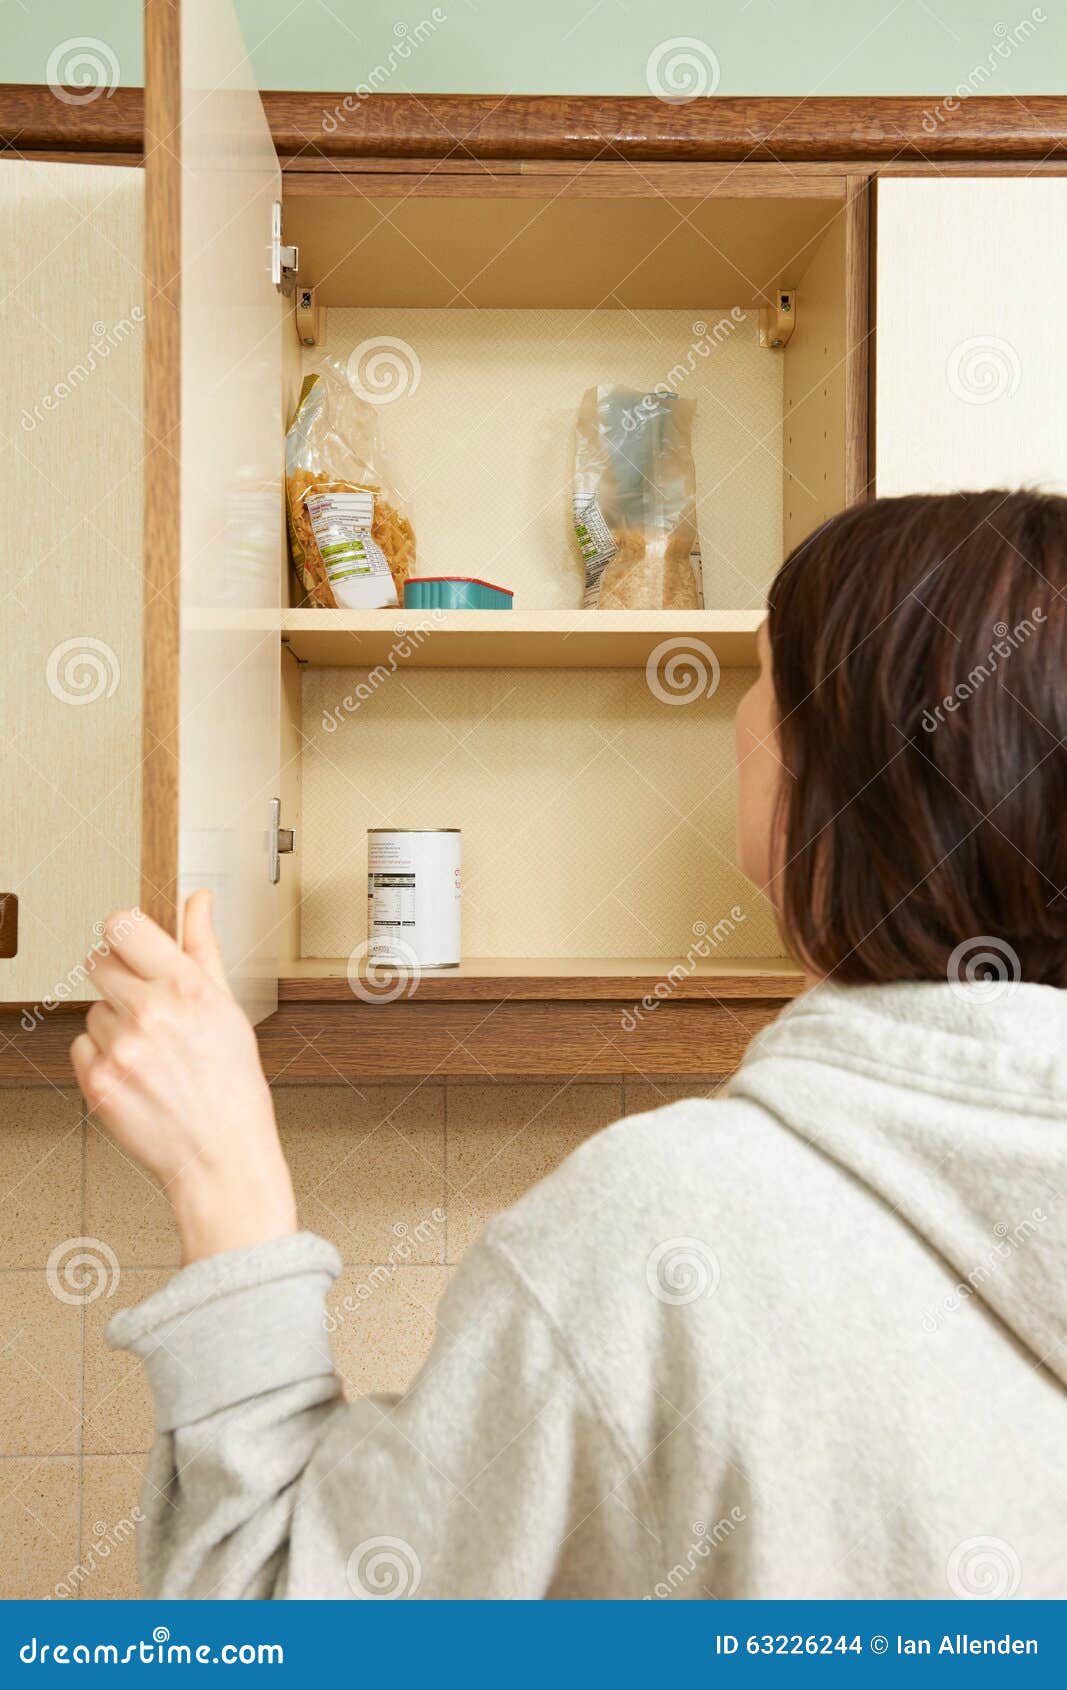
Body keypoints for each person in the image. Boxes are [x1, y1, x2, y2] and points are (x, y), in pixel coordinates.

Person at [73, 490, 1066, 1600]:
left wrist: (227, 1184)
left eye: (759, 675)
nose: (736, 719)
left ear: (832, 769)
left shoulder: (668, 1225)